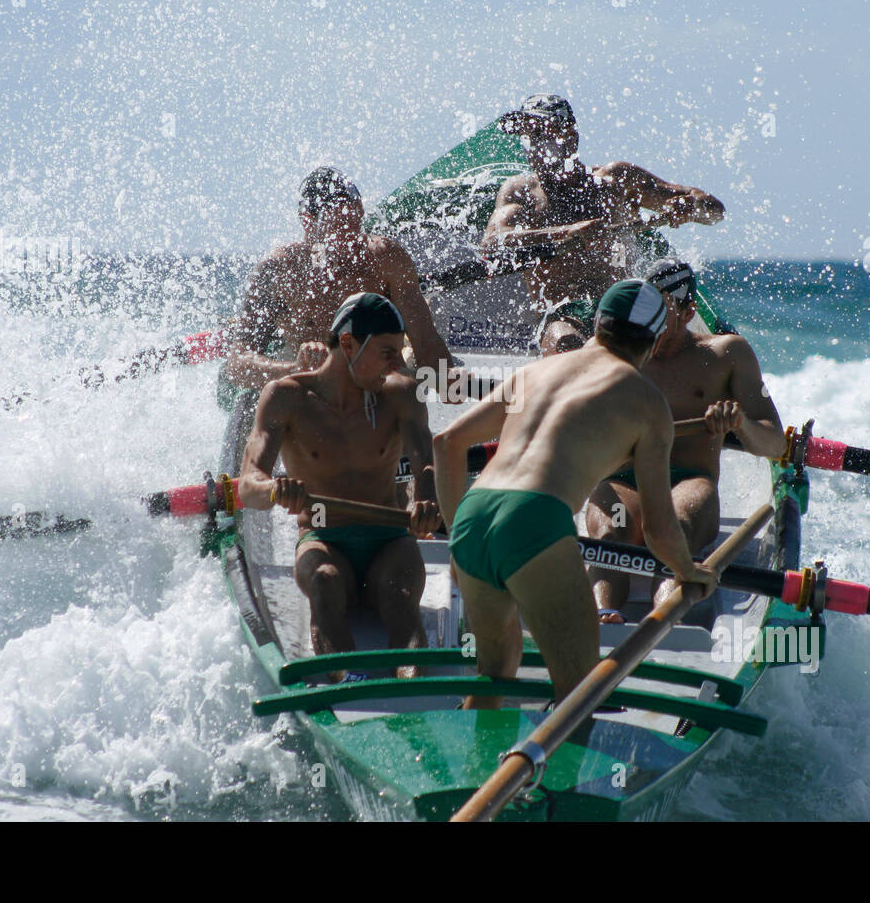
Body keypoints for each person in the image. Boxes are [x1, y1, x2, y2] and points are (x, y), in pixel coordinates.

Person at [433, 280, 718, 709]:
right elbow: (660, 528)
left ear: (598, 325)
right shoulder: (646, 401)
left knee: (493, 678)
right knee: (580, 694)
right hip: (534, 518)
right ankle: (562, 778)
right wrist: (689, 571)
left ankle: (476, 771)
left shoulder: (533, 372)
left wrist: (457, 537)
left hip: (474, 514)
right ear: (656, 338)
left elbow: (447, 443)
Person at [238, 293, 441, 679]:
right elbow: (249, 485)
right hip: (322, 537)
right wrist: (274, 490)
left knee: (400, 600)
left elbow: (425, 462)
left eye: (398, 352)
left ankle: (411, 691)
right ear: (347, 344)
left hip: (390, 540)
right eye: (386, 352)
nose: (397, 363)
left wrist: (427, 501)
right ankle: (348, 688)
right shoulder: (286, 397)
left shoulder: (403, 394)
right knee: (325, 583)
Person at [585, 259, 787, 623]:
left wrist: (739, 423)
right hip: (623, 480)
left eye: (661, 313)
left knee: (674, 530)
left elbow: (775, 443)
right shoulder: (612, 347)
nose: (648, 326)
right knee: (612, 533)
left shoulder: (728, 354)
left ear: (689, 310)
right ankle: (604, 615)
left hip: (687, 479)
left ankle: (662, 619)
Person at [480, 94, 725, 355]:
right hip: (562, 315)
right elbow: (492, 243)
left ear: (570, 137)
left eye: (541, 133)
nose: (533, 144)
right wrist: (569, 231)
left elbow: (715, 211)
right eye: (528, 136)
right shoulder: (521, 190)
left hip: (624, 311)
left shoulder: (616, 179)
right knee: (566, 343)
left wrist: (689, 206)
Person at [226, 167, 460, 390]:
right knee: (265, 395)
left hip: (378, 376)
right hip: (309, 378)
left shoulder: (387, 259)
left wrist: (448, 381)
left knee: (404, 386)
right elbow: (237, 364)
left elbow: (426, 342)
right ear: (307, 221)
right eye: (340, 227)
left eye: (356, 222)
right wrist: (295, 368)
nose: (353, 240)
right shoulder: (280, 269)